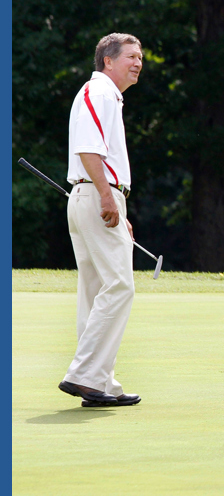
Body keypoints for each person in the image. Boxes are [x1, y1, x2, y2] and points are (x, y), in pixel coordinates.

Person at [58, 33, 146, 408]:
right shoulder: (100, 91)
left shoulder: (106, 94)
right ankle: (86, 375)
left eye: (140, 57)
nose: (138, 63)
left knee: (96, 291)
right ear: (108, 61)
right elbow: (88, 148)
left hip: (92, 196)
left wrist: (116, 204)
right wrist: (108, 198)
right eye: (131, 56)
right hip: (96, 195)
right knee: (120, 286)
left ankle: (100, 381)